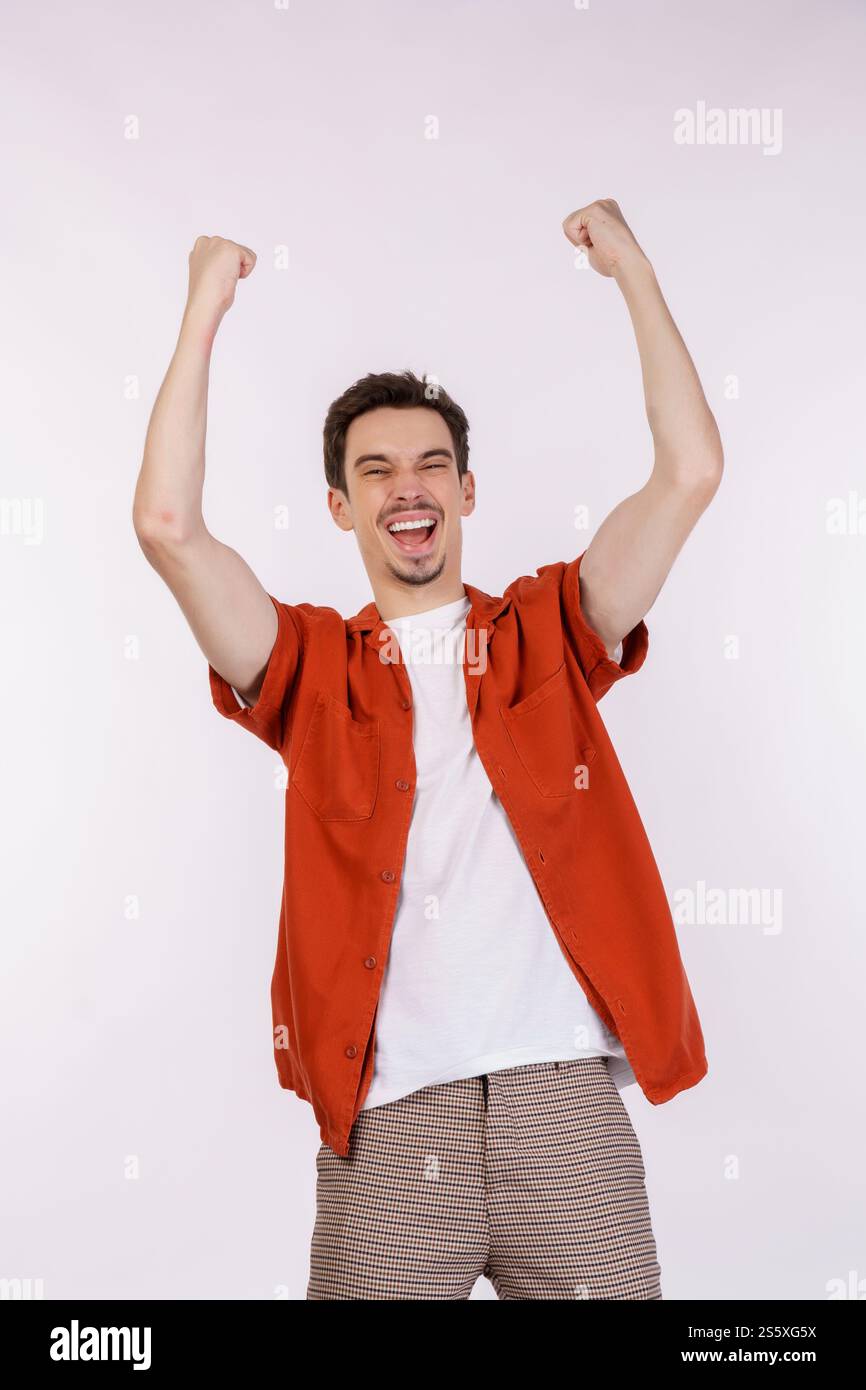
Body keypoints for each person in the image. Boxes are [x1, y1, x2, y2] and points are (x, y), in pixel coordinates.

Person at [132, 199, 723, 1300]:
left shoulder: (549, 627)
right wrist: (203, 305)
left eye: (430, 464)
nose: (407, 485)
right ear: (340, 505)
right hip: (393, 1117)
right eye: (374, 470)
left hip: (564, 1111)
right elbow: (168, 528)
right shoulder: (305, 664)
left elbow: (688, 472)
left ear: (464, 490)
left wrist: (632, 271)